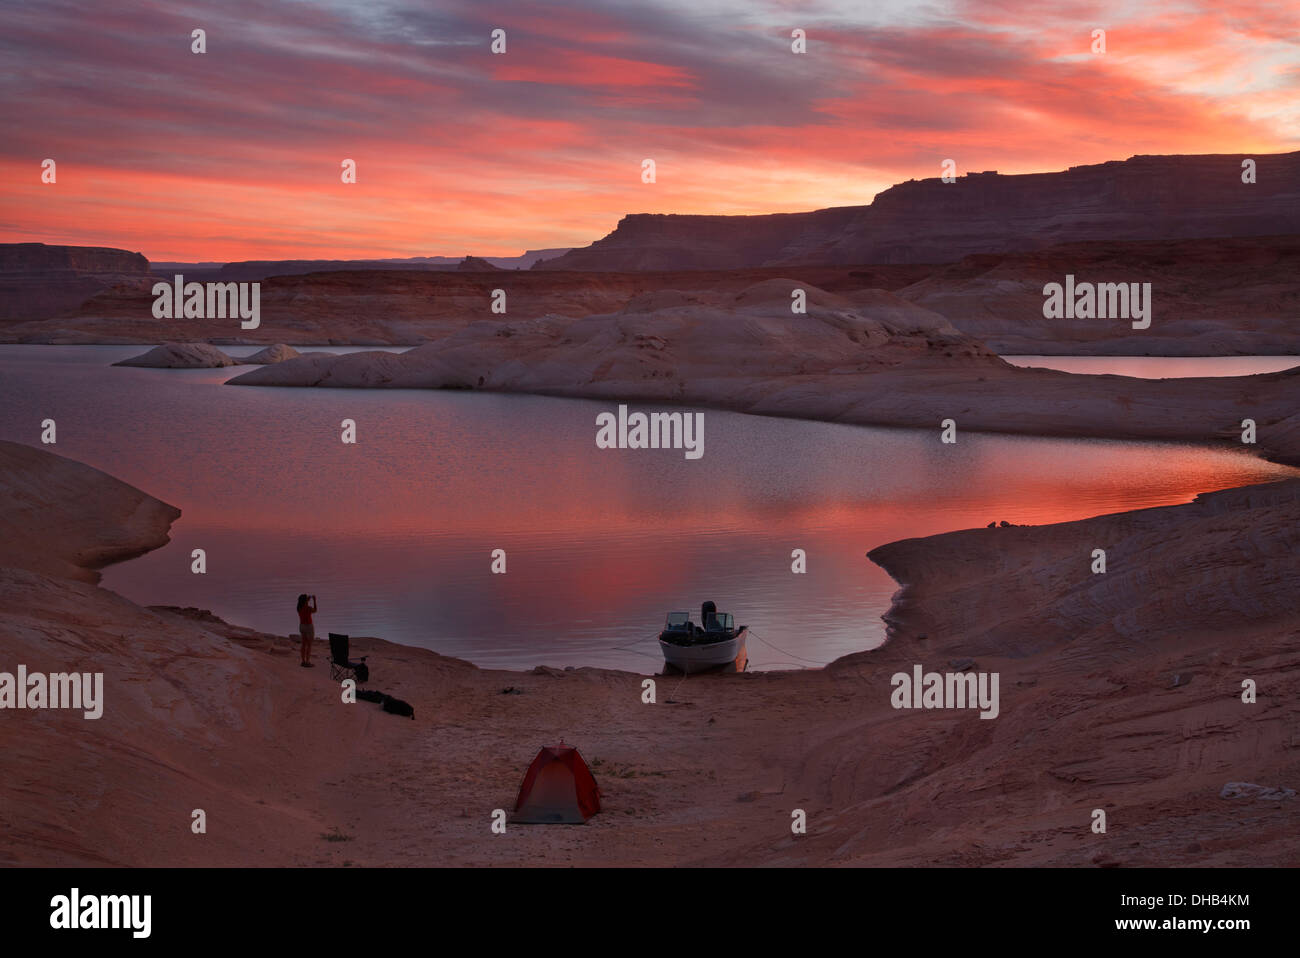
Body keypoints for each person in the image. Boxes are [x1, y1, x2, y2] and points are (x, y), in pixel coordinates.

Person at [296, 594, 317, 667]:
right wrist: (314, 601)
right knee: (309, 645)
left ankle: (303, 661)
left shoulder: (299, 608)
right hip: (308, 626)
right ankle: (307, 661)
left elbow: (303, 603)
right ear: (305, 601)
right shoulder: (308, 608)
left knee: (303, 644)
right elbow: (315, 610)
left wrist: (307, 599)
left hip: (302, 626)